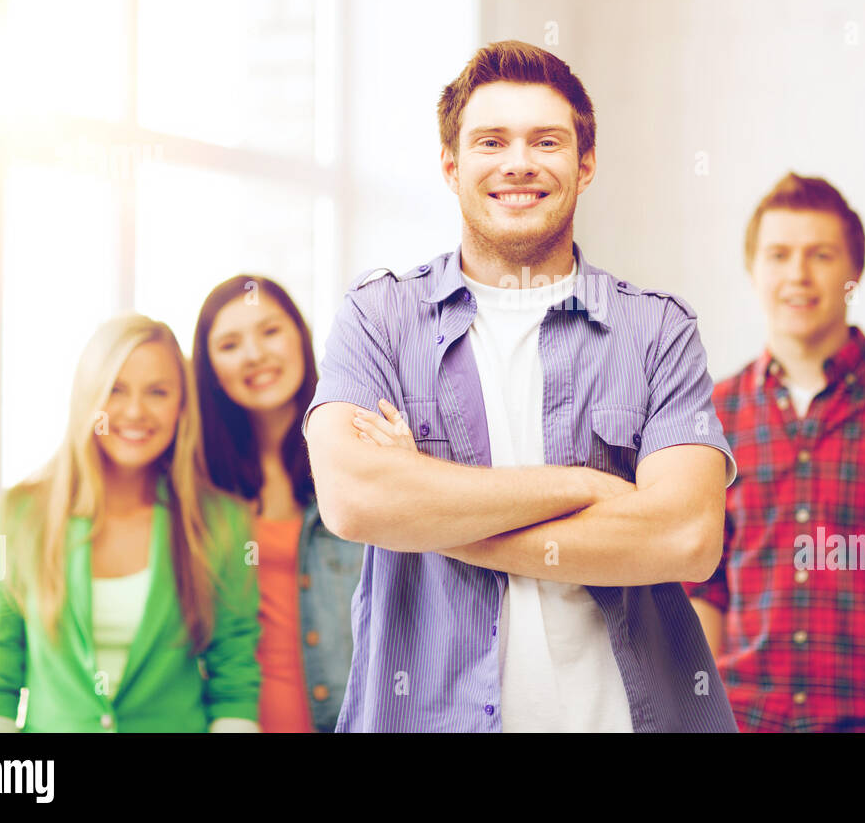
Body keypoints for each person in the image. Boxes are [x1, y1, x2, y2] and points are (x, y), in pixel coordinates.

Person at [303, 40, 739, 732]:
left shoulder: (658, 332)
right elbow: (356, 500)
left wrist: (431, 513)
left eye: (547, 140)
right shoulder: (379, 319)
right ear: (452, 166)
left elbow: (686, 534)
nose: (519, 163)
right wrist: (585, 486)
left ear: (584, 163)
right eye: (490, 141)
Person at [683, 173, 865, 732]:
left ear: (854, 274)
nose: (797, 275)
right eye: (779, 254)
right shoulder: (713, 411)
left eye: (821, 255)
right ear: (753, 269)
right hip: (746, 718)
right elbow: (703, 584)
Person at [0, 314, 260, 732]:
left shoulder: (220, 520)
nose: (135, 411)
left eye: (158, 392)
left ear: (181, 405)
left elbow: (234, 682)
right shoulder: (20, 513)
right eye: (116, 390)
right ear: (87, 397)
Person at [194, 275, 363, 732]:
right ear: (208, 366)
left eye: (270, 331)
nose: (254, 355)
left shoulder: (354, 456)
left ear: (301, 336)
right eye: (229, 344)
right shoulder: (197, 482)